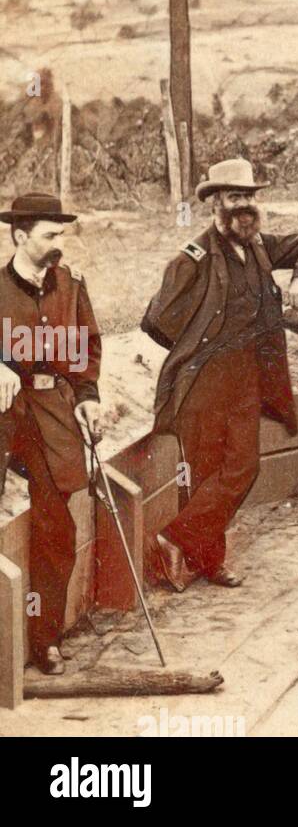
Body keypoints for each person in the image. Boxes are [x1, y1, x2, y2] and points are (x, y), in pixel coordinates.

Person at [142, 158, 298, 590]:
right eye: (234, 197)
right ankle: (207, 561)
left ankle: (174, 539)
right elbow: (156, 320)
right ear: (215, 204)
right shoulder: (193, 258)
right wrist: (196, 346)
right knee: (205, 471)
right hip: (204, 382)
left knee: (243, 468)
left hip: (246, 379)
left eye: (249, 197)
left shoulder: (260, 244)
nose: (244, 206)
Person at [0, 194, 102, 676]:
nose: (58, 243)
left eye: (60, 233)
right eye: (49, 234)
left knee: (59, 529)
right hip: (8, 418)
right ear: (20, 237)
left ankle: (44, 639)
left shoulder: (71, 284)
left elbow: (87, 345)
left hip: (53, 414)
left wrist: (87, 395)